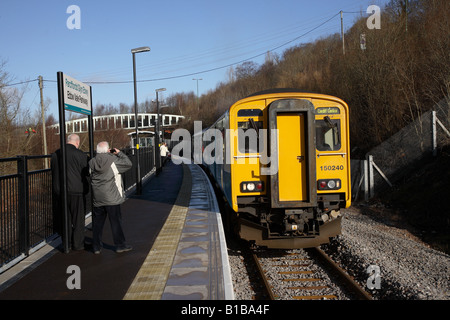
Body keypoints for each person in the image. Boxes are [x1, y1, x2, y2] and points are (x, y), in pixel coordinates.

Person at [89, 141, 133, 254]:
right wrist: (119, 153)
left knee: (97, 223)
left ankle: (96, 247)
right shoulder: (113, 161)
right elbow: (128, 164)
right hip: (111, 197)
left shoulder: (91, 162)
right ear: (108, 150)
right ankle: (120, 245)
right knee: (115, 222)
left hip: (97, 197)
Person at [51, 133, 89, 251]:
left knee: (65, 218)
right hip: (77, 191)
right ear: (77, 142)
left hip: (61, 191)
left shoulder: (56, 154)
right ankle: (78, 244)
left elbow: (53, 171)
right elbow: (86, 171)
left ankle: (66, 244)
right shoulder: (80, 154)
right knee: (78, 219)